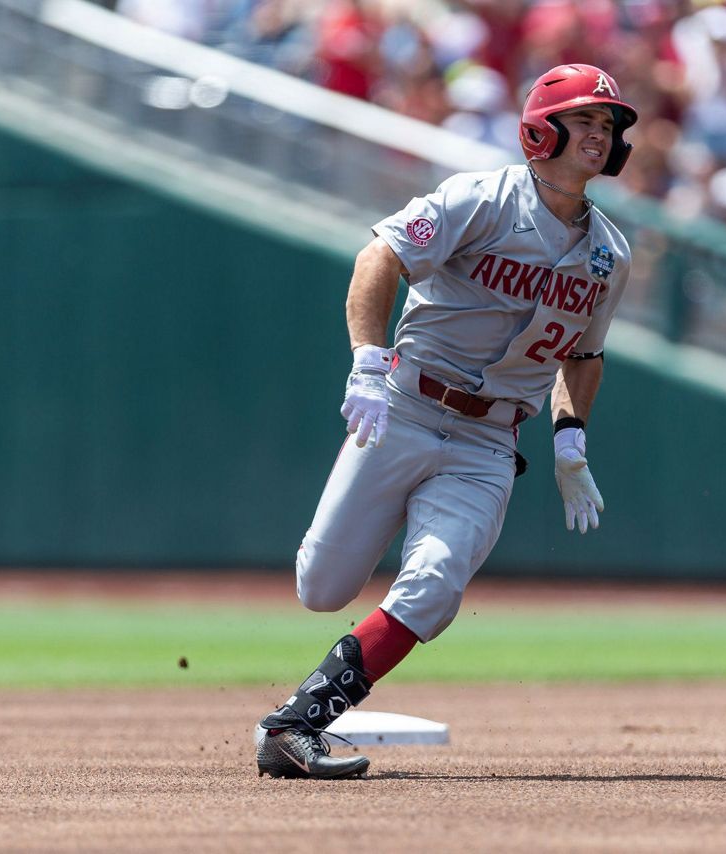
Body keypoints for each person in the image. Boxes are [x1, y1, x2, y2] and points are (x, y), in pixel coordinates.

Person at [253, 63, 637, 779]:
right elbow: (381, 255)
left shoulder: (609, 254)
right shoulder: (480, 198)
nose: (599, 133)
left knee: (434, 585)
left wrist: (571, 439)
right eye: (584, 119)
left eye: (608, 125)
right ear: (540, 128)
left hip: (490, 439)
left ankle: (297, 723)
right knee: (323, 587)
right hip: (404, 405)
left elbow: (584, 354)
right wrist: (368, 360)